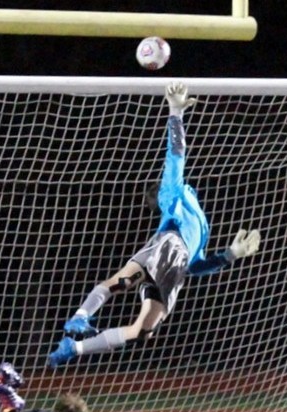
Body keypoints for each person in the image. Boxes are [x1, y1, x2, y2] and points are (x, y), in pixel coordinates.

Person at [47, 82, 261, 368]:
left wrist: (229, 256)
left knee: (137, 325)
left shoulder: (193, 218)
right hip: (170, 250)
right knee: (124, 293)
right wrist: (175, 113)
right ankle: (79, 324)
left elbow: (193, 267)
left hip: (167, 252)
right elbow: (175, 156)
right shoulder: (173, 196)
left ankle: (75, 338)